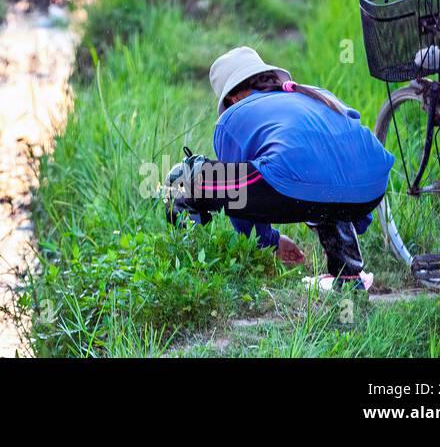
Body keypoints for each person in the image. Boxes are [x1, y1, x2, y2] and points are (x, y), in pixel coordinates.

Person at [165, 46, 396, 288]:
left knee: (184, 178)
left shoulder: (231, 118)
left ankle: (189, 273)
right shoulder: (311, 94)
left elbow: (237, 194)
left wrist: (269, 241)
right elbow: (345, 151)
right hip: (371, 188)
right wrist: (356, 216)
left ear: (230, 98)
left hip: (303, 187)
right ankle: (348, 277)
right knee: (317, 179)